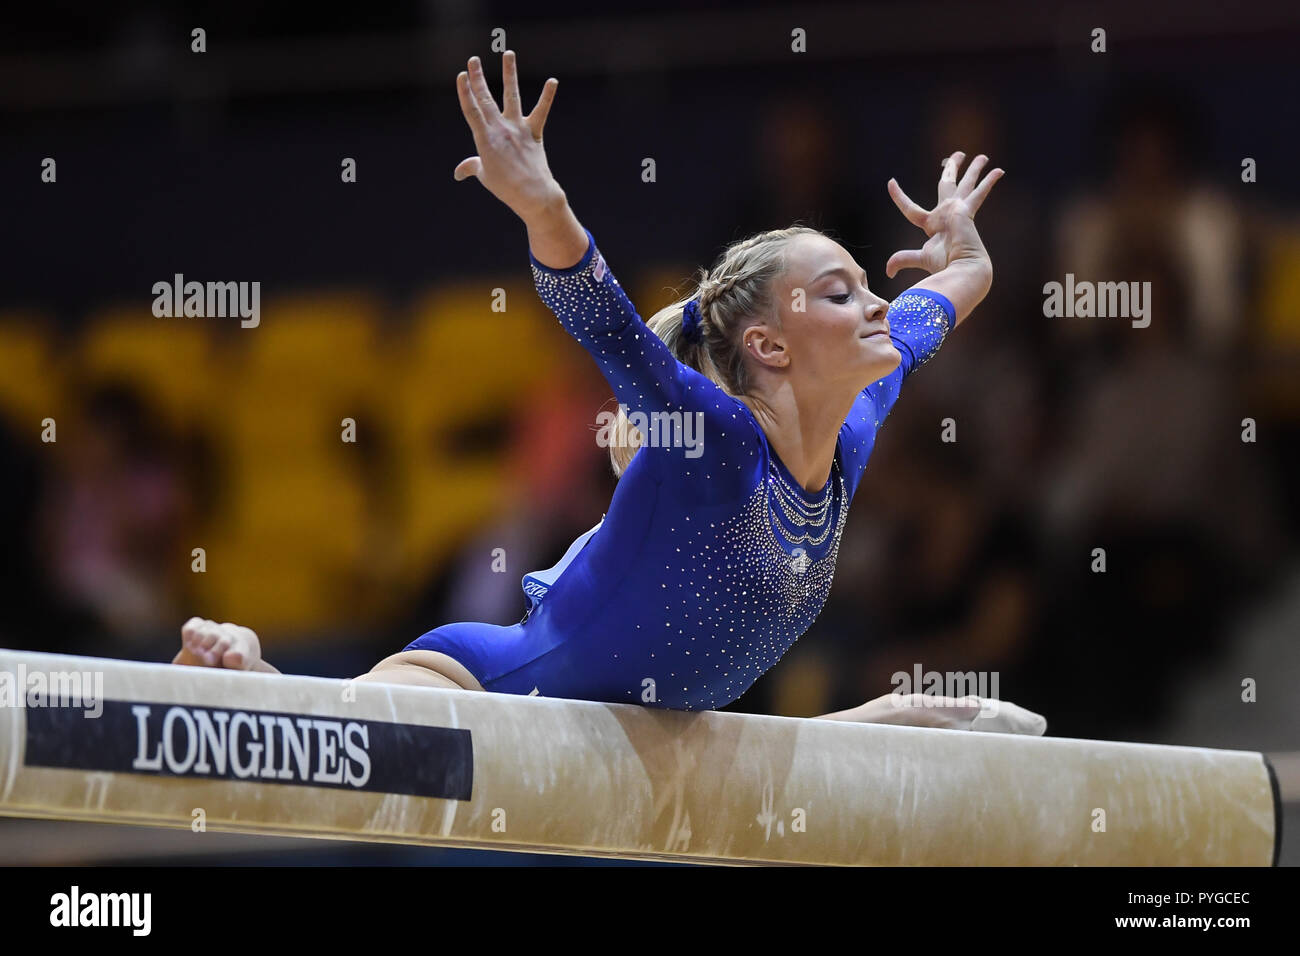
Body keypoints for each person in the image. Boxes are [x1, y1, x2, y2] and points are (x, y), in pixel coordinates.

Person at [174, 51, 1044, 735]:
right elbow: (604, 322)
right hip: (491, 688)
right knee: (329, 762)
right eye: (840, 290)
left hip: (647, 730)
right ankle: (247, 673)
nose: (877, 305)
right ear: (768, 345)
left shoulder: (855, 423)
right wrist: (542, 205)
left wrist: (966, 253)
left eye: (866, 284)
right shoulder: (712, 439)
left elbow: (943, 299)